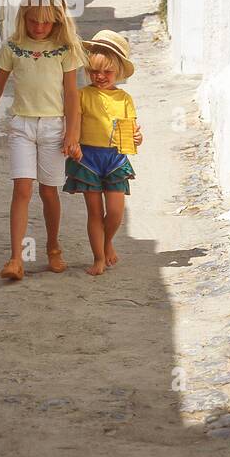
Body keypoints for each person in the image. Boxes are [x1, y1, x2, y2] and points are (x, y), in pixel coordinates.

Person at [0, 0, 86, 281]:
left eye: (46, 23)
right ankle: (15, 258)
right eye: (33, 21)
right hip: (21, 125)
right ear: (24, 17)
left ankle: (53, 247)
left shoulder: (65, 49)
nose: (38, 27)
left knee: (49, 191)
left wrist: (72, 133)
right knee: (21, 189)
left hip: (53, 127)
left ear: (57, 20)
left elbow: (72, 94)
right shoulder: (13, 47)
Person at [63, 30, 142, 276]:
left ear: (118, 71)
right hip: (88, 159)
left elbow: (131, 133)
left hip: (116, 158)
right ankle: (98, 257)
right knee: (95, 212)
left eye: (107, 72)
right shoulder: (83, 95)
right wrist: (73, 144)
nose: (100, 76)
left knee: (116, 211)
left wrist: (138, 138)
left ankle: (108, 242)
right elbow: (74, 123)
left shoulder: (125, 99)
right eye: (94, 71)